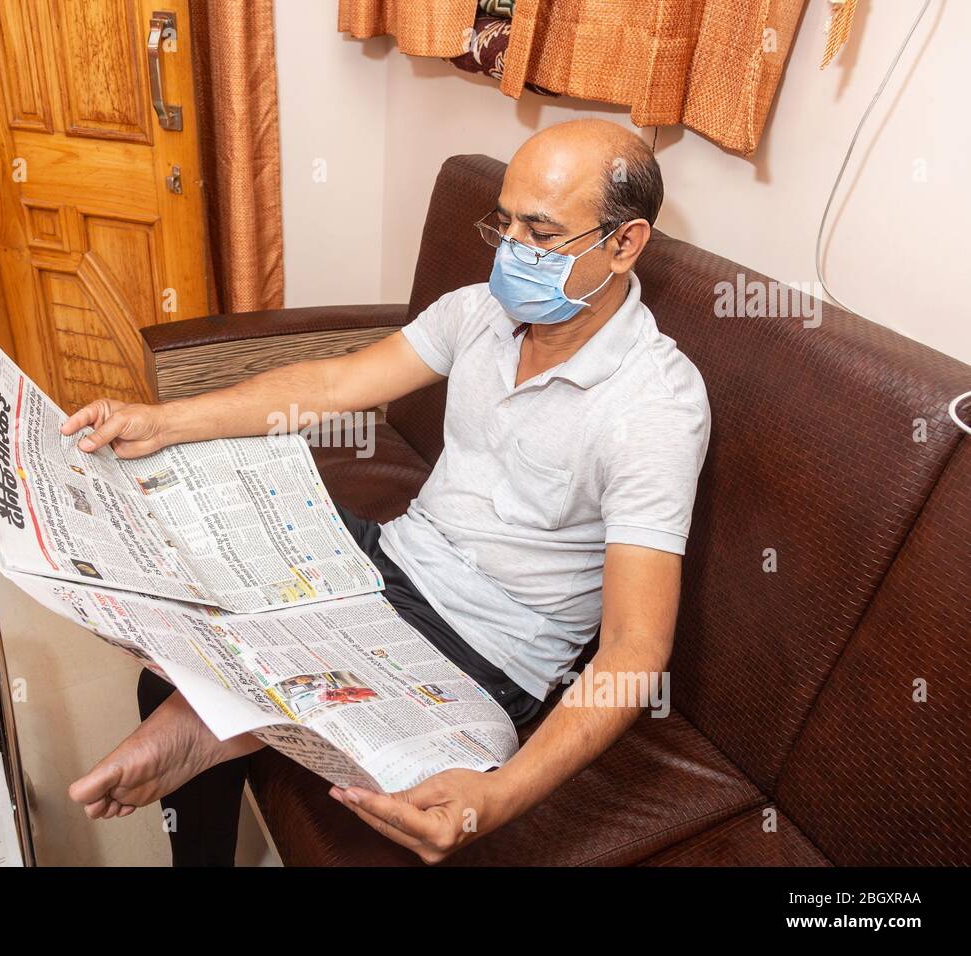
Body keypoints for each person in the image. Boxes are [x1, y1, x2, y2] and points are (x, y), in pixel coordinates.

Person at [61, 119, 710, 865]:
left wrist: (502, 794)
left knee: (208, 685)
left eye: (540, 232)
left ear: (624, 244)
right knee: (179, 525)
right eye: (503, 224)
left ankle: (211, 721)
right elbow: (333, 384)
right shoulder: (479, 312)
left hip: (488, 645)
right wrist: (164, 422)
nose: (510, 253)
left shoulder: (657, 404)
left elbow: (635, 647)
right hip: (389, 557)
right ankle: (208, 727)